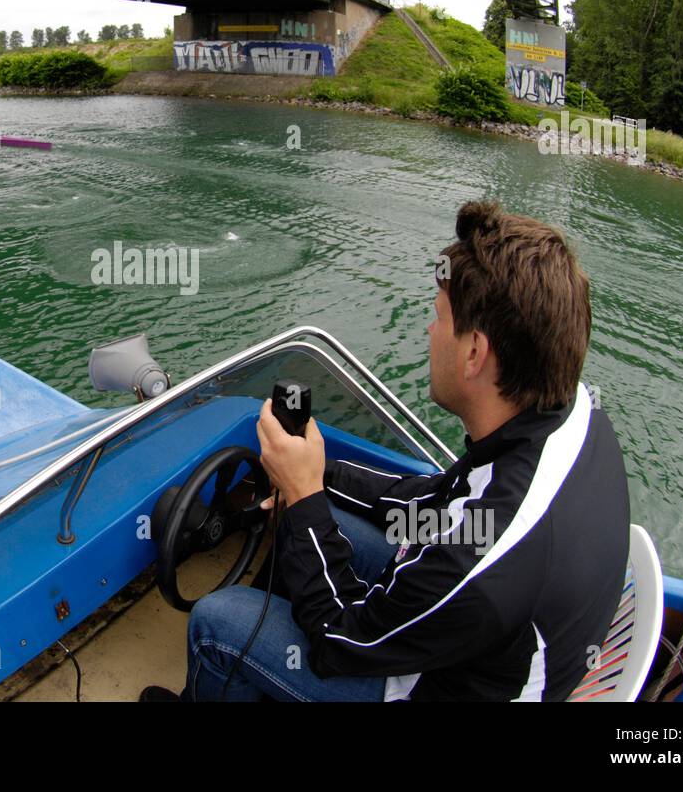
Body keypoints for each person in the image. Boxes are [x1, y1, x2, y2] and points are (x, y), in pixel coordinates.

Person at [142, 200, 630, 702]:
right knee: (313, 512)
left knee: (218, 623)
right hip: (480, 651)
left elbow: (342, 638)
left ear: (475, 353)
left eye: (439, 317)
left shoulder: (483, 562)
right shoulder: (565, 414)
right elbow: (437, 502)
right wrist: (312, 478)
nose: (428, 330)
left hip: (430, 685)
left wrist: (304, 497)